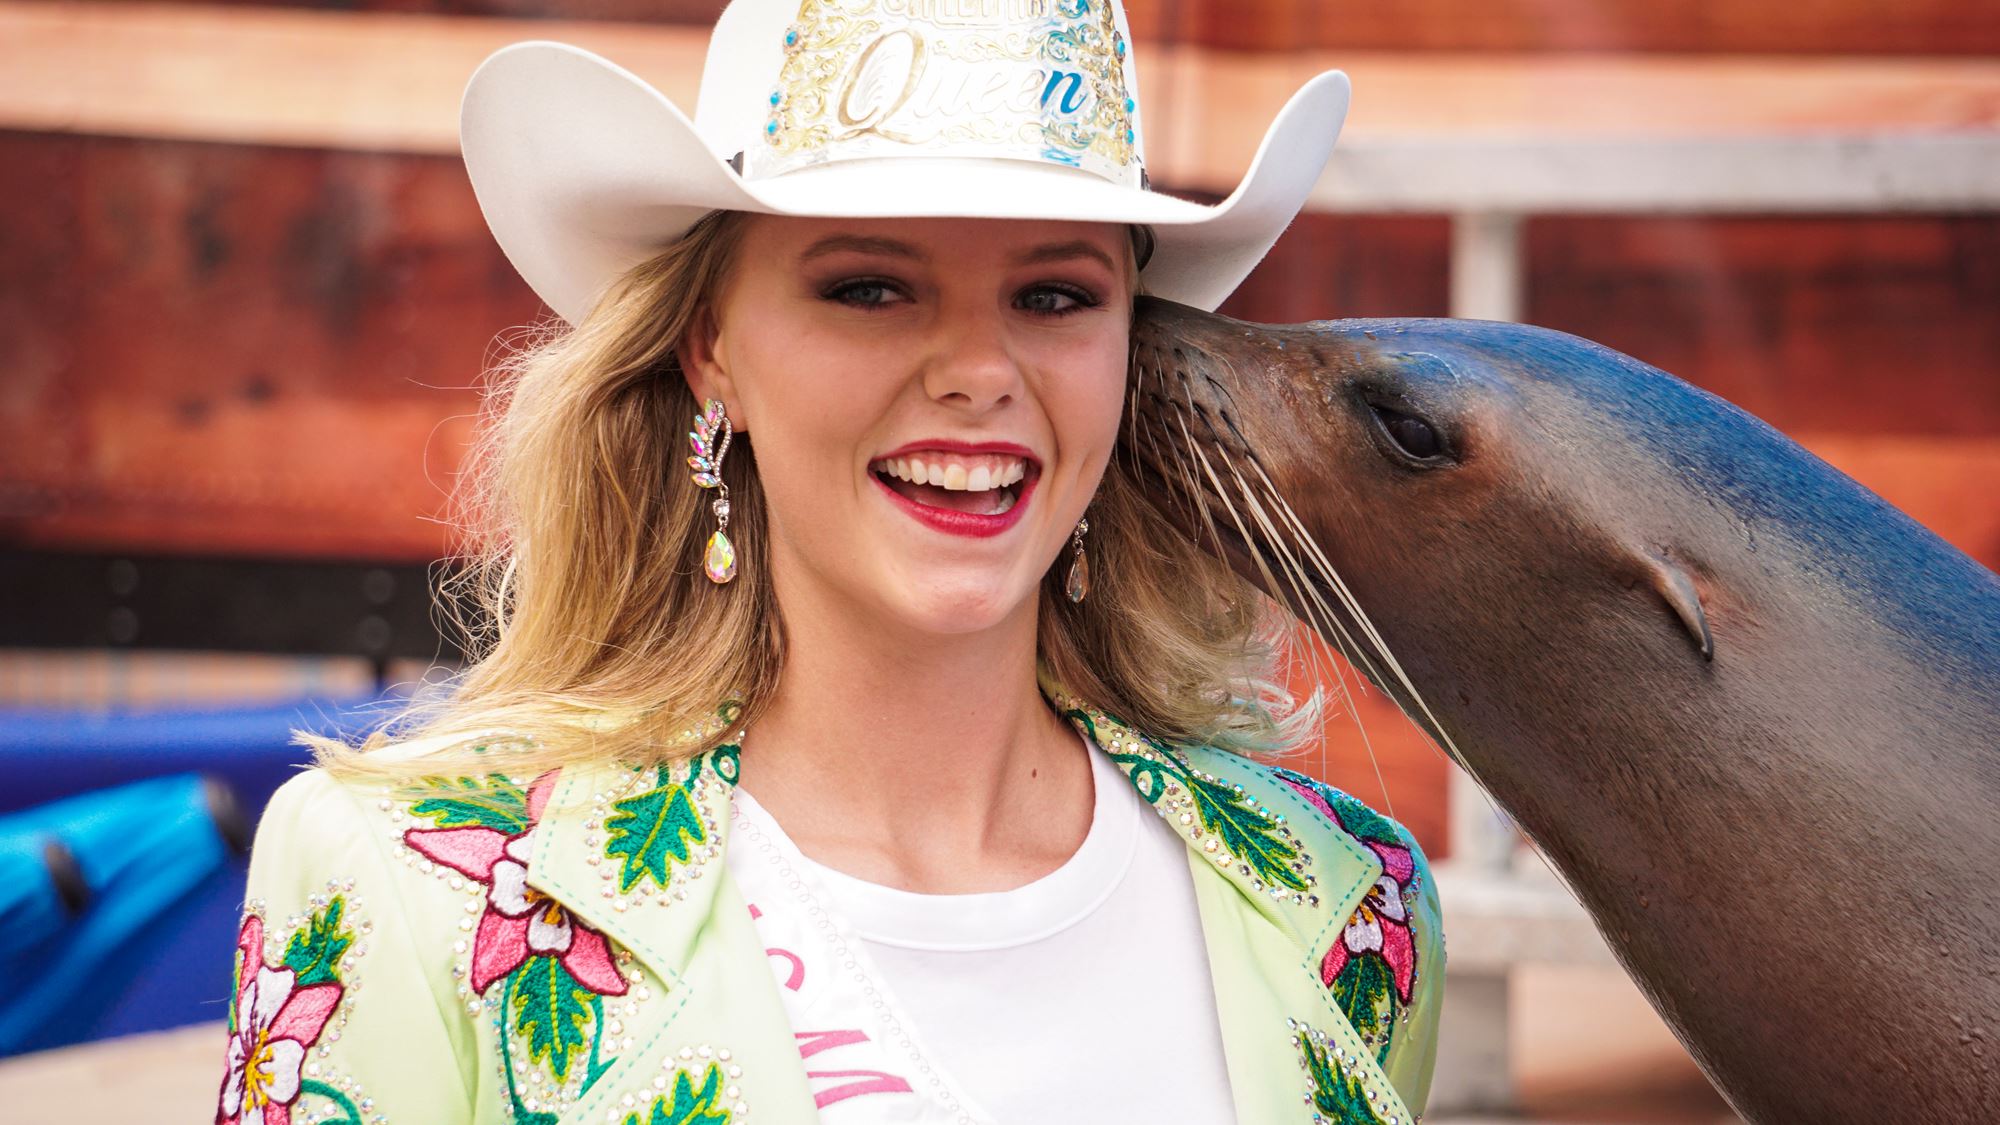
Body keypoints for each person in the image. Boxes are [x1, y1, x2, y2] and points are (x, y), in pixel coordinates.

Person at [214, 3, 1443, 1123]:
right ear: (711, 350)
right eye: (869, 287)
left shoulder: (1347, 906)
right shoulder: (412, 882)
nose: (977, 371)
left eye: (1055, 296)